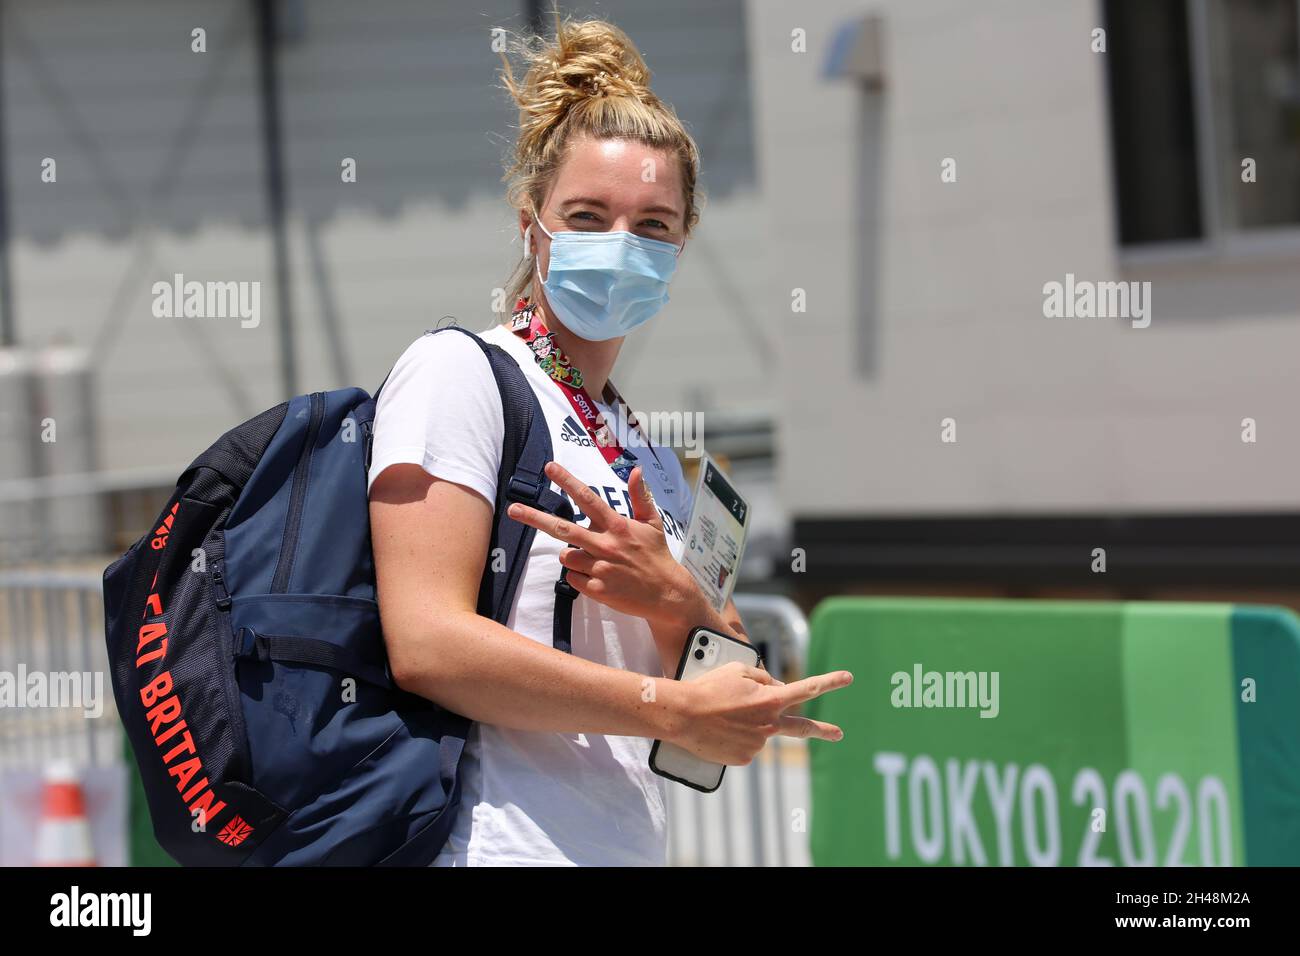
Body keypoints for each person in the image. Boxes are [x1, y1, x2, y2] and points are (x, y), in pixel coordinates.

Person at [366, 14, 852, 867]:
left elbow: (720, 727)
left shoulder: (654, 458)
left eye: (653, 226)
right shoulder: (460, 375)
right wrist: (661, 706)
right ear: (532, 225)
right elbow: (427, 644)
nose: (619, 247)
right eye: (587, 216)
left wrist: (675, 599)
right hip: (484, 844)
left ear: (683, 244)